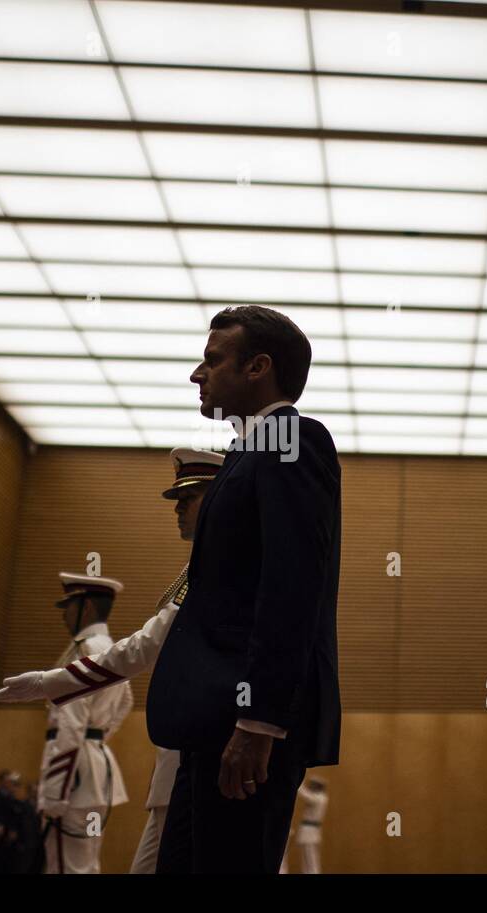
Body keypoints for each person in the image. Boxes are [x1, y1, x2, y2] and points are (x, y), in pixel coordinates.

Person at [149, 305, 343, 874]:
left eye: (212, 360)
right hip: (214, 719)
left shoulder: (292, 439)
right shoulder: (247, 452)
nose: (197, 374)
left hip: (246, 723)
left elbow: (292, 587)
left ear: (258, 367)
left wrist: (259, 723)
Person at [0, 447, 225, 873]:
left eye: (188, 499)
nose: (178, 510)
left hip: (199, 759)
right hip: (165, 763)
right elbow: (128, 696)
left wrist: (49, 683)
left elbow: (142, 649)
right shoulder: (201, 567)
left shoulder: (222, 567)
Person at [39, 573, 133, 873]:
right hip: (96, 769)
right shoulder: (111, 648)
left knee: (65, 866)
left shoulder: (83, 650)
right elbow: (126, 702)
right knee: (87, 863)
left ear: (87, 608)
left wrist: (55, 793)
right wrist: (99, 736)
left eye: (68, 606)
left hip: (74, 778)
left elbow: (71, 724)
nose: (64, 614)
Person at [294, 775, 329, 874]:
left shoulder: (318, 798)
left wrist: (298, 780)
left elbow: (303, 793)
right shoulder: (322, 797)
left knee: (310, 858)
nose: (311, 787)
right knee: (308, 858)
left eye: (312, 785)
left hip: (309, 832)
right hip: (312, 831)